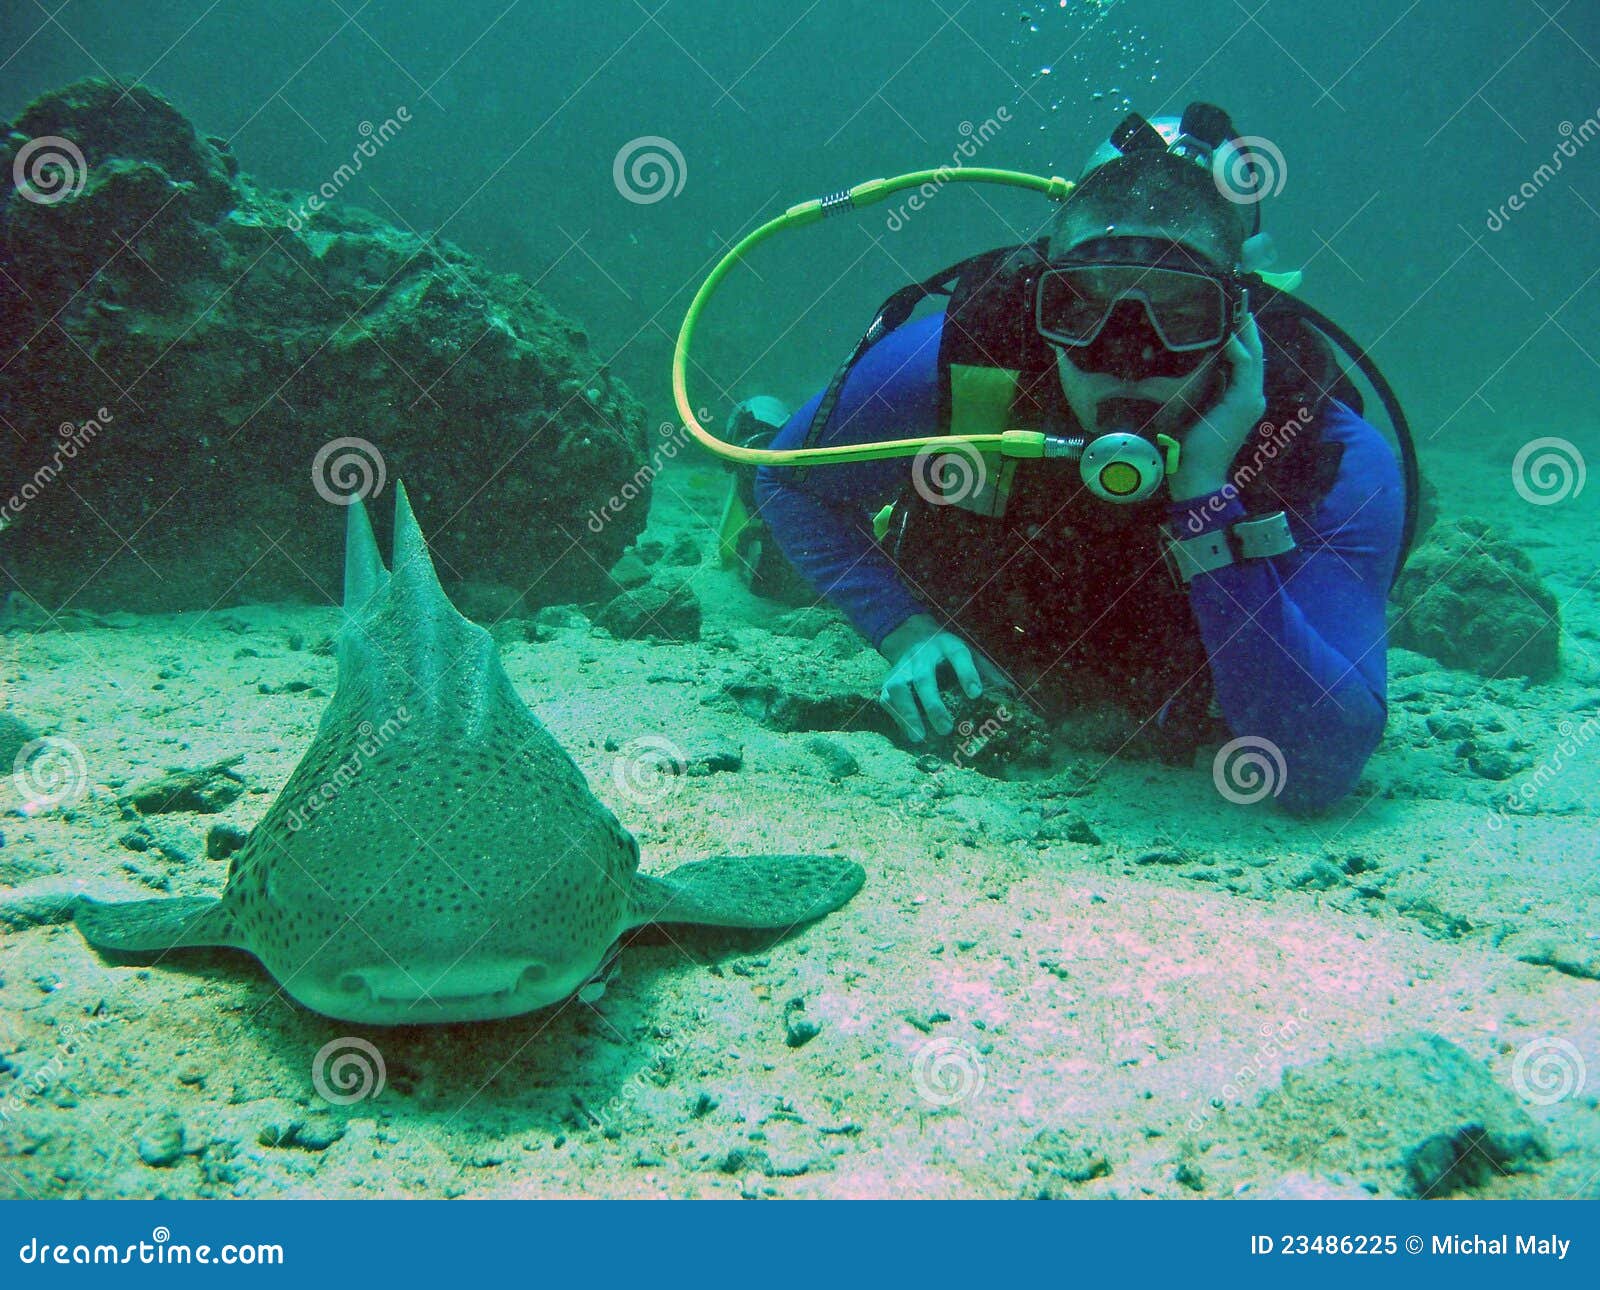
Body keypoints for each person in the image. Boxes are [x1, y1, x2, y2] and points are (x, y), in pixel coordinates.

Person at [752, 104, 1405, 814]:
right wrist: (903, 628)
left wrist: (1206, 498)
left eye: (1180, 315)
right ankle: (753, 422)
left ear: (1237, 321)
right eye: (1080, 307)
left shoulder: (1328, 451)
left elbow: (1317, 770)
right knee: (763, 557)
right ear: (1039, 297)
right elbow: (789, 481)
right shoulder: (970, 352)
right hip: (992, 629)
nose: (1128, 355)